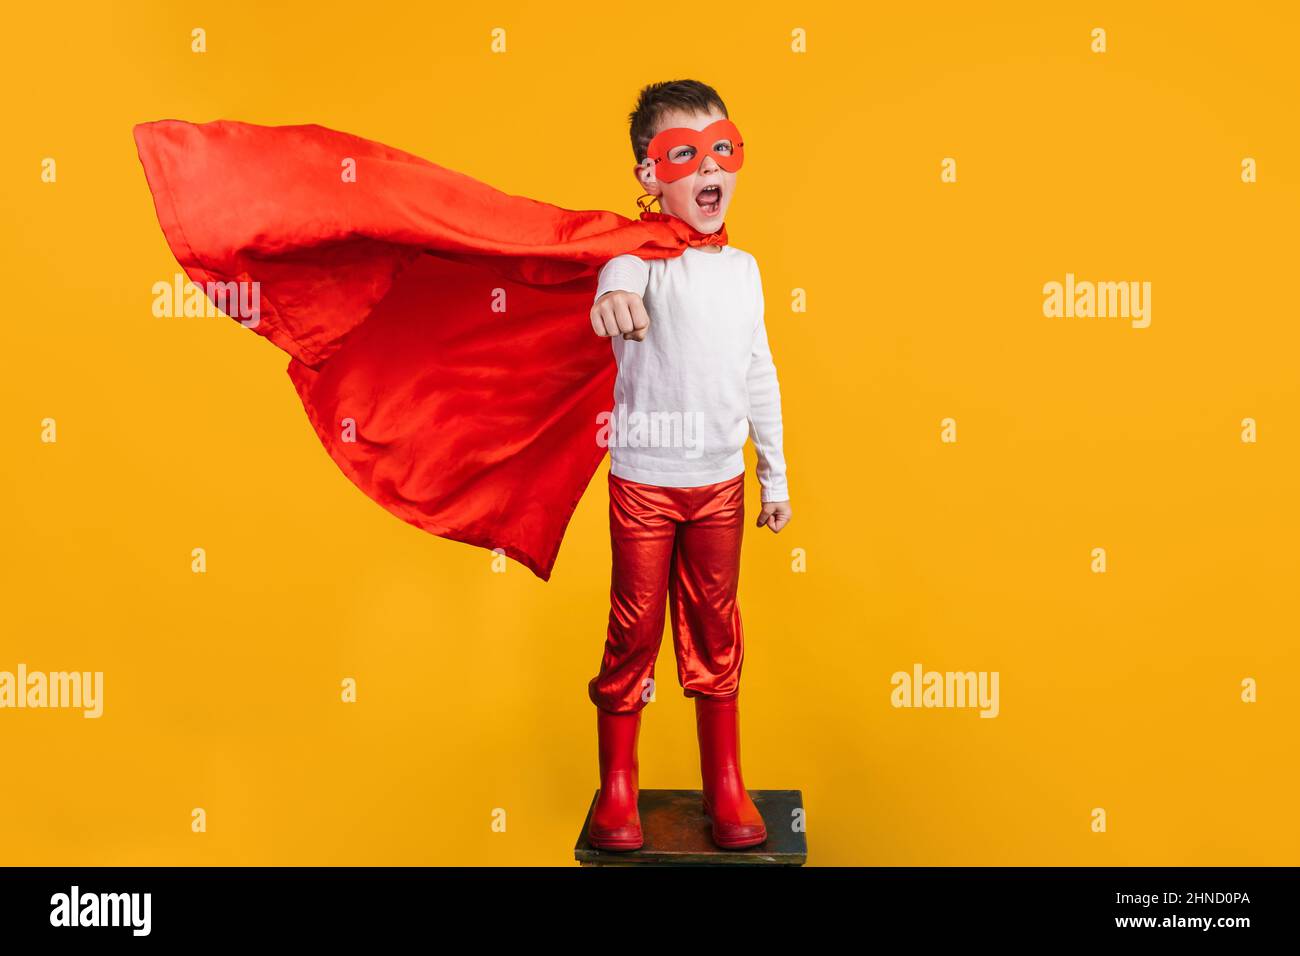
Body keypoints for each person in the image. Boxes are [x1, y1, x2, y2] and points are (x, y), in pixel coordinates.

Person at [584, 80, 791, 852]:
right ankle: (617, 789)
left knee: (715, 629)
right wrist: (612, 297)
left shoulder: (744, 271)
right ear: (651, 175)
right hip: (644, 481)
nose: (709, 168)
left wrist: (775, 478)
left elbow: (758, 371)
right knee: (633, 630)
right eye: (685, 153)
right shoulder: (636, 259)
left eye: (722, 149)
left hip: (721, 487)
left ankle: (726, 785)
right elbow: (617, 279)